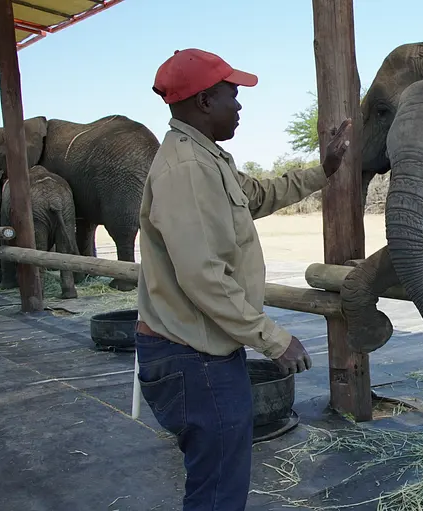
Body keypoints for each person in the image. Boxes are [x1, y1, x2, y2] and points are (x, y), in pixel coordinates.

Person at [134, 48, 352, 511]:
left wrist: (324, 171)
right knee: (218, 490)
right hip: (193, 358)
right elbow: (204, 276)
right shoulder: (187, 170)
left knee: (220, 480)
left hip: (204, 350)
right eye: (232, 95)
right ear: (204, 101)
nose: (239, 106)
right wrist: (273, 338)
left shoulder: (207, 158)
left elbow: (256, 195)